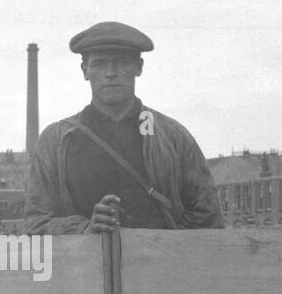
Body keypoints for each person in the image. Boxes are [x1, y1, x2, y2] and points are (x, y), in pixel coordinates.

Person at [22, 21, 224, 234]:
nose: (111, 73)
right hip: (83, 266)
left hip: (159, 265)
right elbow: (36, 225)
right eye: (99, 64)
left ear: (139, 67)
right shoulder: (56, 141)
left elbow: (209, 219)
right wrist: (84, 231)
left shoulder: (173, 137)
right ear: (85, 70)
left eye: (121, 63)